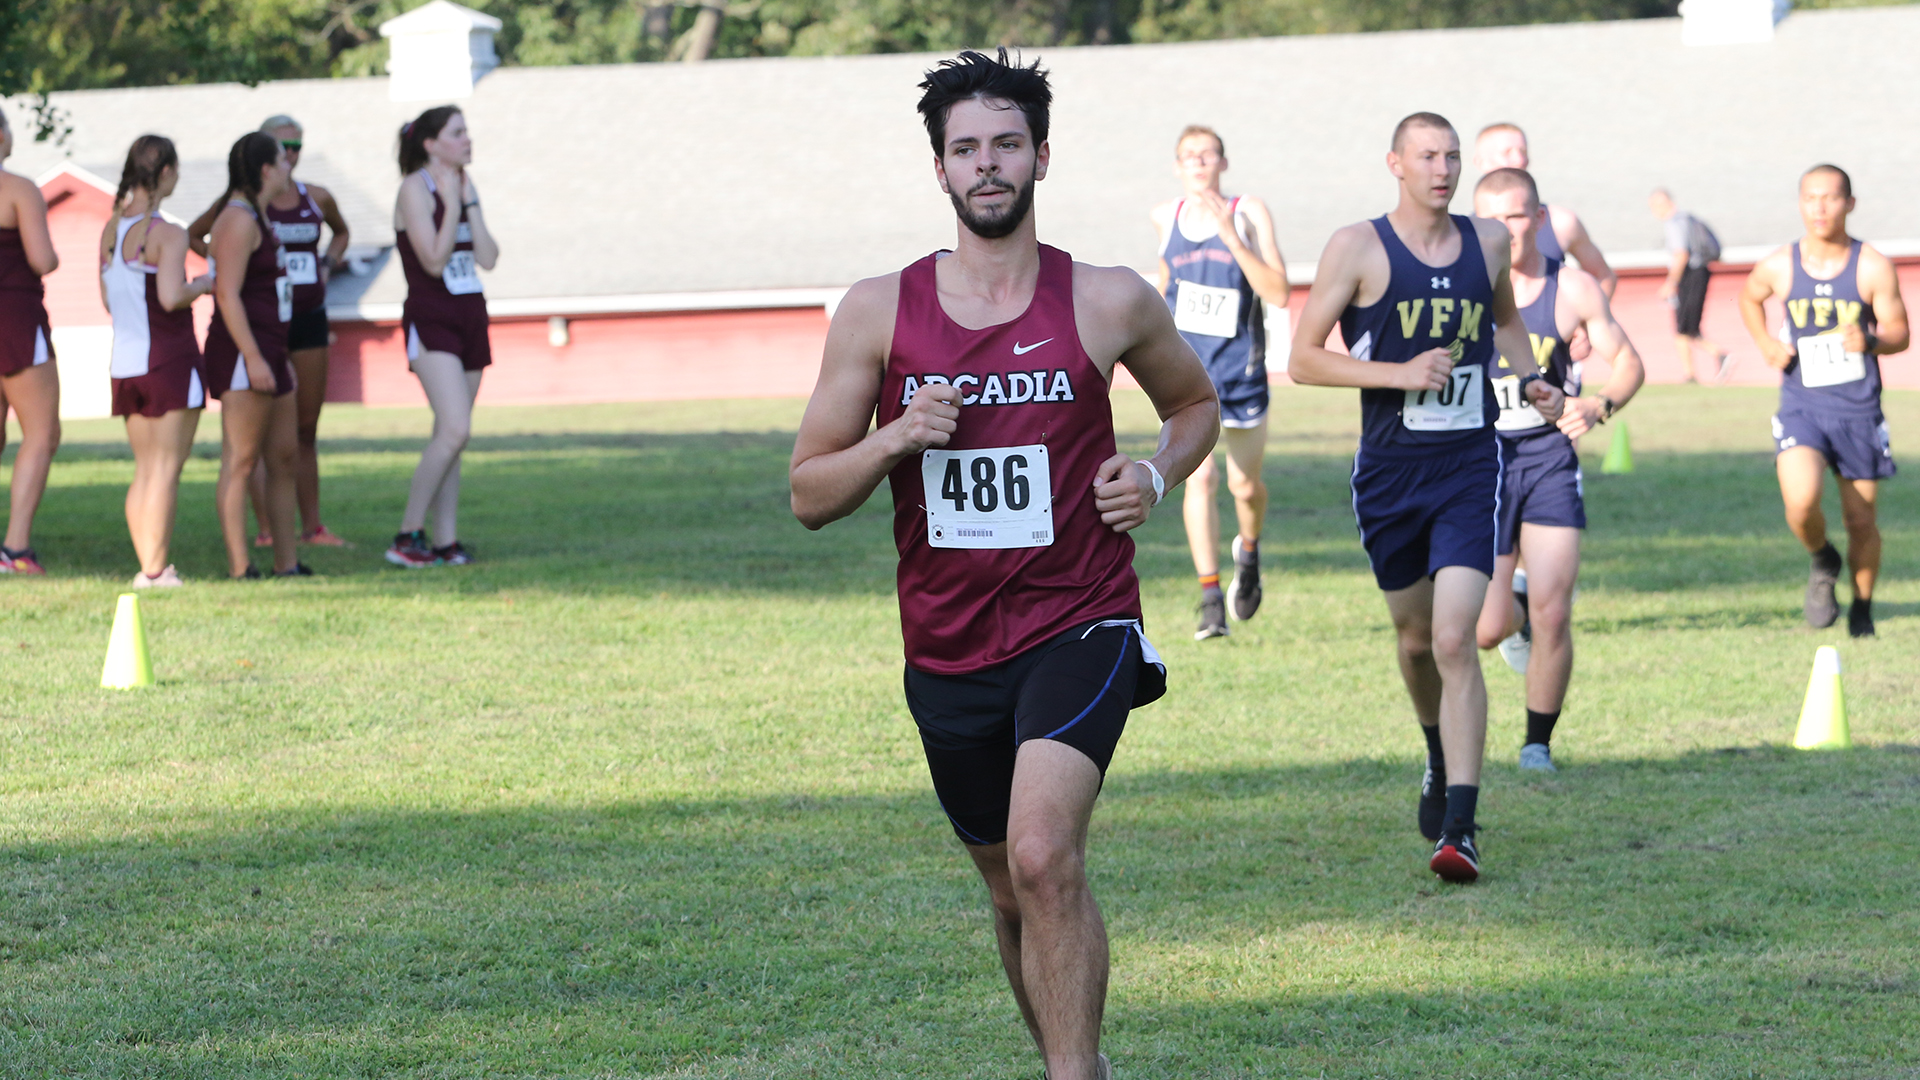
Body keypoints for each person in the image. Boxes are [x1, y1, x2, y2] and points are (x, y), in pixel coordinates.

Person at [789, 50, 1217, 1080]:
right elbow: (808, 492)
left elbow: (1195, 406)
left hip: (1080, 619)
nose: (988, 164)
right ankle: (1082, 1062)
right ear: (940, 168)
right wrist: (896, 437)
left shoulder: (1107, 299)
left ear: (1041, 158)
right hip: (947, 648)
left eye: (1007, 145)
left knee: (1041, 855)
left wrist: (1154, 475)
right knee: (1007, 885)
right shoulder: (879, 312)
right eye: (967, 148)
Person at [1289, 112, 1563, 883]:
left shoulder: (1489, 241)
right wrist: (1398, 374)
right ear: (1396, 165)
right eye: (1427, 157)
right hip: (1389, 476)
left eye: (1451, 157)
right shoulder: (1358, 247)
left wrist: (1532, 378)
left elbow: (1505, 319)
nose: (1442, 170)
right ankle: (1438, 752)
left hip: (1469, 470)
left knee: (1453, 639)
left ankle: (1461, 830)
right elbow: (1303, 359)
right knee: (1415, 641)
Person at [1471, 168, 1644, 772]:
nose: (1506, 229)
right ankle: (1512, 607)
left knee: (1555, 611)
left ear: (1540, 220)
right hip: (1482, 465)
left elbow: (1628, 362)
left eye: (1517, 215)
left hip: (1548, 459)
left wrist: (1598, 405)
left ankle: (1537, 745)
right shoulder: (1459, 291)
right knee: (1486, 629)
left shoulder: (1571, 289)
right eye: (1492, 218)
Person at [1738, 165, 1909, 638]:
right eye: (1810, 198)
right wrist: (1766, 344)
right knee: (1800, 503)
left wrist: (1871, 340)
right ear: (1800, 203)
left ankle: (1862, 609)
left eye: (1830, 197)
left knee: (1861, 521)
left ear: (1849, 204)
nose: (1819, 207)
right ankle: (1822, 557)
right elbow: (1749, 298)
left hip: (1858, 411)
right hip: (1802, 406)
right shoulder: (1781, 264)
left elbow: (1901, 333)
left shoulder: (1871, 266)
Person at [1150, 124, 1289, 639]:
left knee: (1244, 486)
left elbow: (1278, 292)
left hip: (1241, 373)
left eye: (1208, 154)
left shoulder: (1249, 212)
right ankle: (1210, 598)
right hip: (1189, 378)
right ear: (1177, 166)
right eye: (1189, 155)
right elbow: (1165, 290)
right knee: (1200, 479)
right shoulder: (1165, 218)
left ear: (1223, 163)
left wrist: (1232, 238)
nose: (1199, 162)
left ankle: (1248, 553)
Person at [194, 116, 352, 549]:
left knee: (302, 431)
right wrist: (227, 263)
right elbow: (200, 242)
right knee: (249, 446)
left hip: (304, 318)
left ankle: (310, 529)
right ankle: (263, 533)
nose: (293, 155)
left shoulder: (315, 196)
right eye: (284, 149)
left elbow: (342, 233)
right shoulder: (238, 211)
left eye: (298, 145)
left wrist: (326, 265)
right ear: (265, 160)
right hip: (255, 331)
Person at [100, 136, 214, 588]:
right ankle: (155, 570)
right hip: (168, 361)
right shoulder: (167, 233)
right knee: (166, 470)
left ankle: (148, 567)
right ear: (165, 171)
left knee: (146, 470)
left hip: (125, 365)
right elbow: (170, 296)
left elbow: (108, 300)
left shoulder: (111, 230)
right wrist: (204, 283)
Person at [385, 105, 496, 569]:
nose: (467, 139)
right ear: (430, 144)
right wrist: (450, 205)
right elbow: (432, 259)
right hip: (432, 317)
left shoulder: (465, 185)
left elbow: (488, 257)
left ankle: (446, 541)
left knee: (452, 435)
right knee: (455, 428)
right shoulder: (415, 188)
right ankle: (408, 535)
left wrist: (468, 203)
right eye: (457, 132)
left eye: (467, 130)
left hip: (470, 312)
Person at [204, 131, 306, 579]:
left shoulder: (259, 216)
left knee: (284, 456)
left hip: (272, 348)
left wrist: (276, 356)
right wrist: (253, 357)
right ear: (266, 169)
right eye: (283, 160)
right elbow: (226, 293)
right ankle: (240, 566)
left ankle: (287, 562)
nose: (289, 167)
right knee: (242, 460)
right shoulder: (237, 219)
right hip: (243, 353)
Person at [0, 106, 61, 576]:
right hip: (14, 317)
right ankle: (16, 549)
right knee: (41, 433)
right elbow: (41, 259)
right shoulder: (18, 188)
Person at [1472, 124, 1617, 296]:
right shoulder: (1464, 232)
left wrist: (1588, 313)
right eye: (1507, 153)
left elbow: (1603, 277)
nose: (1520, 160)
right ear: (1480, 162)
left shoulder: (1560, 222)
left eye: (1523, 152)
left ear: (1539, 219)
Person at [1649, 188, 1731, 383]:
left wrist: (1671, 283)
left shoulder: (1675, 222)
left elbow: (1681, 254)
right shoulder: (1688, 220)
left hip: (1690, 275)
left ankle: (1717, 356)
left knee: (1685, 328)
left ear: (1664, 203)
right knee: (1683, 327)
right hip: (1697, 274)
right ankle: (1691, 372)